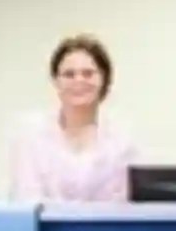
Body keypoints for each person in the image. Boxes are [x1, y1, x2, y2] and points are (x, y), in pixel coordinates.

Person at [9, 35, 137, 202]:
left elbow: (121, 204)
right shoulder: (30, 134)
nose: (79, 81)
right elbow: (27, 198)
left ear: (104, 79)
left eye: (88, 74)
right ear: (56, 81)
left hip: (103, 227)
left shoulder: (122, 140)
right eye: (69, 74)